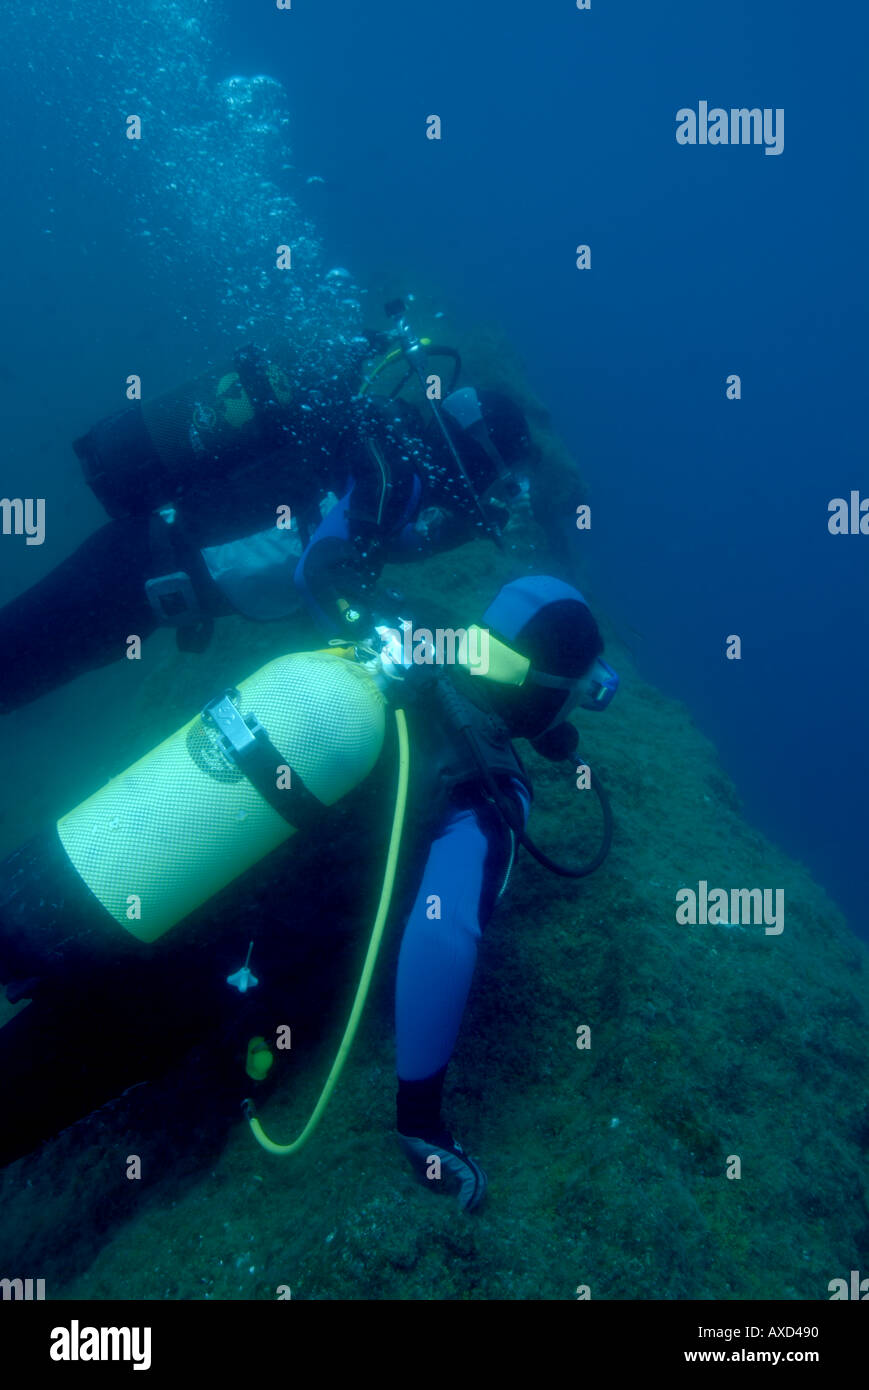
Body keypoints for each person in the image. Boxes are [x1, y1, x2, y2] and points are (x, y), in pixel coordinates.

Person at [0, 574, 618, 1211]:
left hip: (86, 856)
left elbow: (318, 567)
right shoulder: (485, 787)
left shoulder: (402, 641)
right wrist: (420, 1119)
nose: (577, 711)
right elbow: (443, 933)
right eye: (583, 695)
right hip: (177, 977)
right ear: (548, 692)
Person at [0, 317, 539, 713]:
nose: (500, 494)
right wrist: (379, 633)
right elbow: (321, 571)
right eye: (504, 479)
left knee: (21, 675)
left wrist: (460, 533)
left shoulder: (396, 466)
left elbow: (375, 539)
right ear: (477, 454)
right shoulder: (394, 471)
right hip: (135, 571)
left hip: (151, 583)